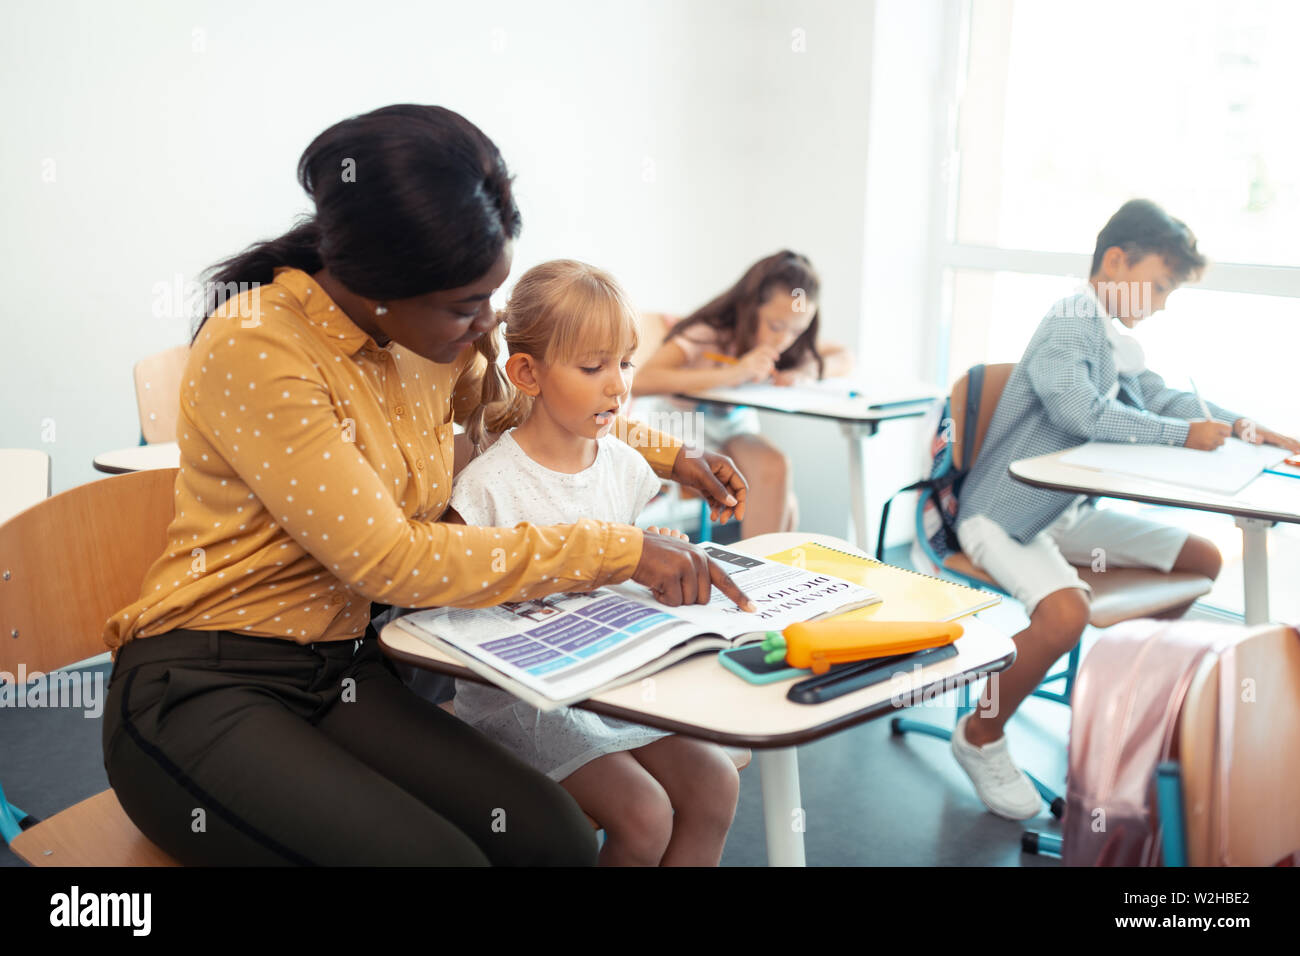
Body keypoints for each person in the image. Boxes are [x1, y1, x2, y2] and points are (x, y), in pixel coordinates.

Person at [101, 104, 754, 866]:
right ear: (382, 282)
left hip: (345, 671)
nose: (486, 329)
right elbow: (392, 562)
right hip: (206, 684)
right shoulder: (260, 345)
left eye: (488, 300)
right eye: (465, 307)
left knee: (556, 840)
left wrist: (674, 459)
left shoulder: (431, 342)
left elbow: (531, 410)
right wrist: (618, 551)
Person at [951, 199, 1300, 820]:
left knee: (1201, 557)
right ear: (1116, 260)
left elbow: (1161, 399)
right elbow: (1079, 412)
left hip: (1064, 515)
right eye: (1161, 286)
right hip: (1004, 513)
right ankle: (980, 734)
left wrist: (1248, 427)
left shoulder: (1111, 337)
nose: (1163, 303)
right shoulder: (1069, 323)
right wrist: (1181, 436)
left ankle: (1122, 702)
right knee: (1063, 614)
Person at [445, 260, 742, 866]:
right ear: (527, 373)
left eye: (624, 363)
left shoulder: (627, 468)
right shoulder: (489, 487)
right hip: (522, 699)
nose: (617, 386)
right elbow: (449, 605)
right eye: (592, 367)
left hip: (609, 683)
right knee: (645, 813)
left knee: (717, 784)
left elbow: (624, 568)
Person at [631, 250, 853, 538]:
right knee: (781, 498)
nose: (784, 340)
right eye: (775, 326)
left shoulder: (785, 337)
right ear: (750, 308)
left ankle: (768, 577)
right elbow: (642, 381)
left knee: (777, 469)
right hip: (682, 426)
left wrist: (808, 372)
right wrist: (734, 374)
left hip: (732, 428)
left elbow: (844, 356)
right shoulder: (709, 332)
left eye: (797, 331)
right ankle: (760, 576)